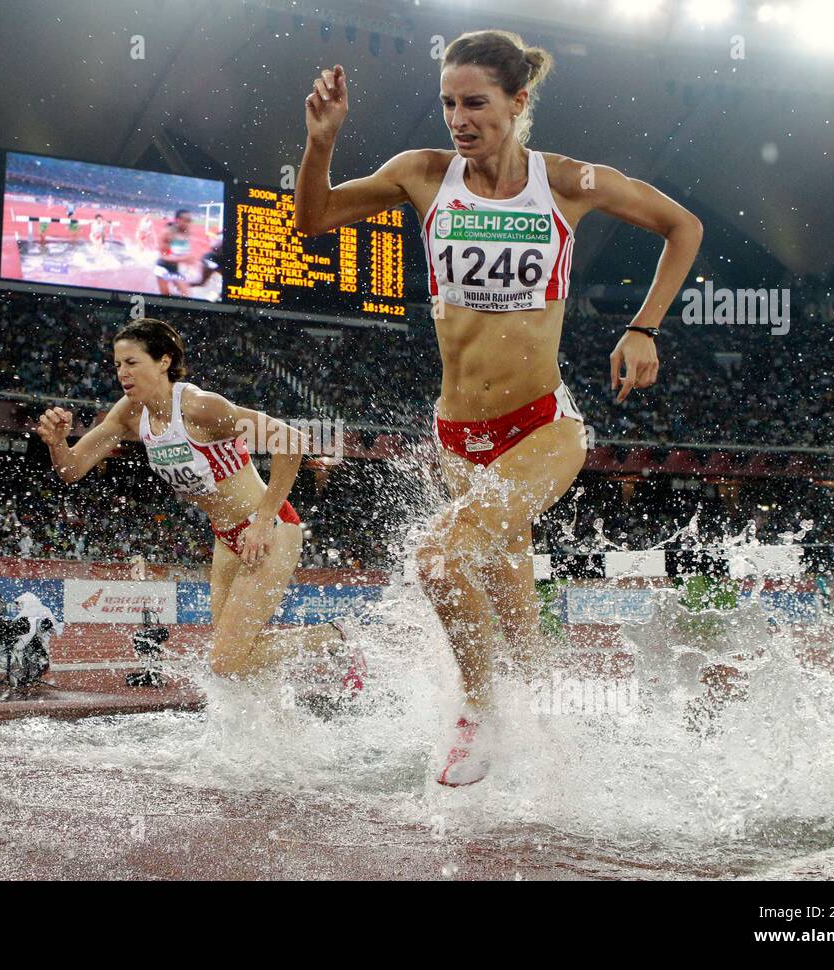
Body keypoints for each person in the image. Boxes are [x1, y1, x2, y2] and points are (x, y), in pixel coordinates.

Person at [294, 30, 702, 785]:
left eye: (475, 103)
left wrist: (644, 327)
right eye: (448, 103)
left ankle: (475, 715)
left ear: (518, 103)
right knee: (516, 623)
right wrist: (321, 143)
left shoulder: (570, 183)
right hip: (458, 435)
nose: (459, 117)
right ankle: (555, 766)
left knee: (440, 560)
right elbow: (312, 219)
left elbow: (684, 227)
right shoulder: (422, 174)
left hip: (543, 426)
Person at [35, 317, 364, 691]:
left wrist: (262, 522)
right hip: (226, 538)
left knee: (225, 662)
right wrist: (56, 442)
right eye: (117, 365)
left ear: (163, 361)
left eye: (131, 362)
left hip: (268, 530)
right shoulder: (129, 412)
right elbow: (70, 469)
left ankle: (336, 636)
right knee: (231, 661)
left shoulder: (199, 408)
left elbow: (289, 440)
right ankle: (272, 722)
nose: (121, 373)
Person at [155, 210, 195, 297]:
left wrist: (189, 262)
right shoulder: (167, 233)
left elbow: (184, 253)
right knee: (165, 296)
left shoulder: (187, 233)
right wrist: (184, 259)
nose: (188, 224)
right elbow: (163, 256)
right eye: (186, 220)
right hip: (163, 268)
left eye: (189, 221)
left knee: (186, 295)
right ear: (178, 220)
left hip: (174, 269)